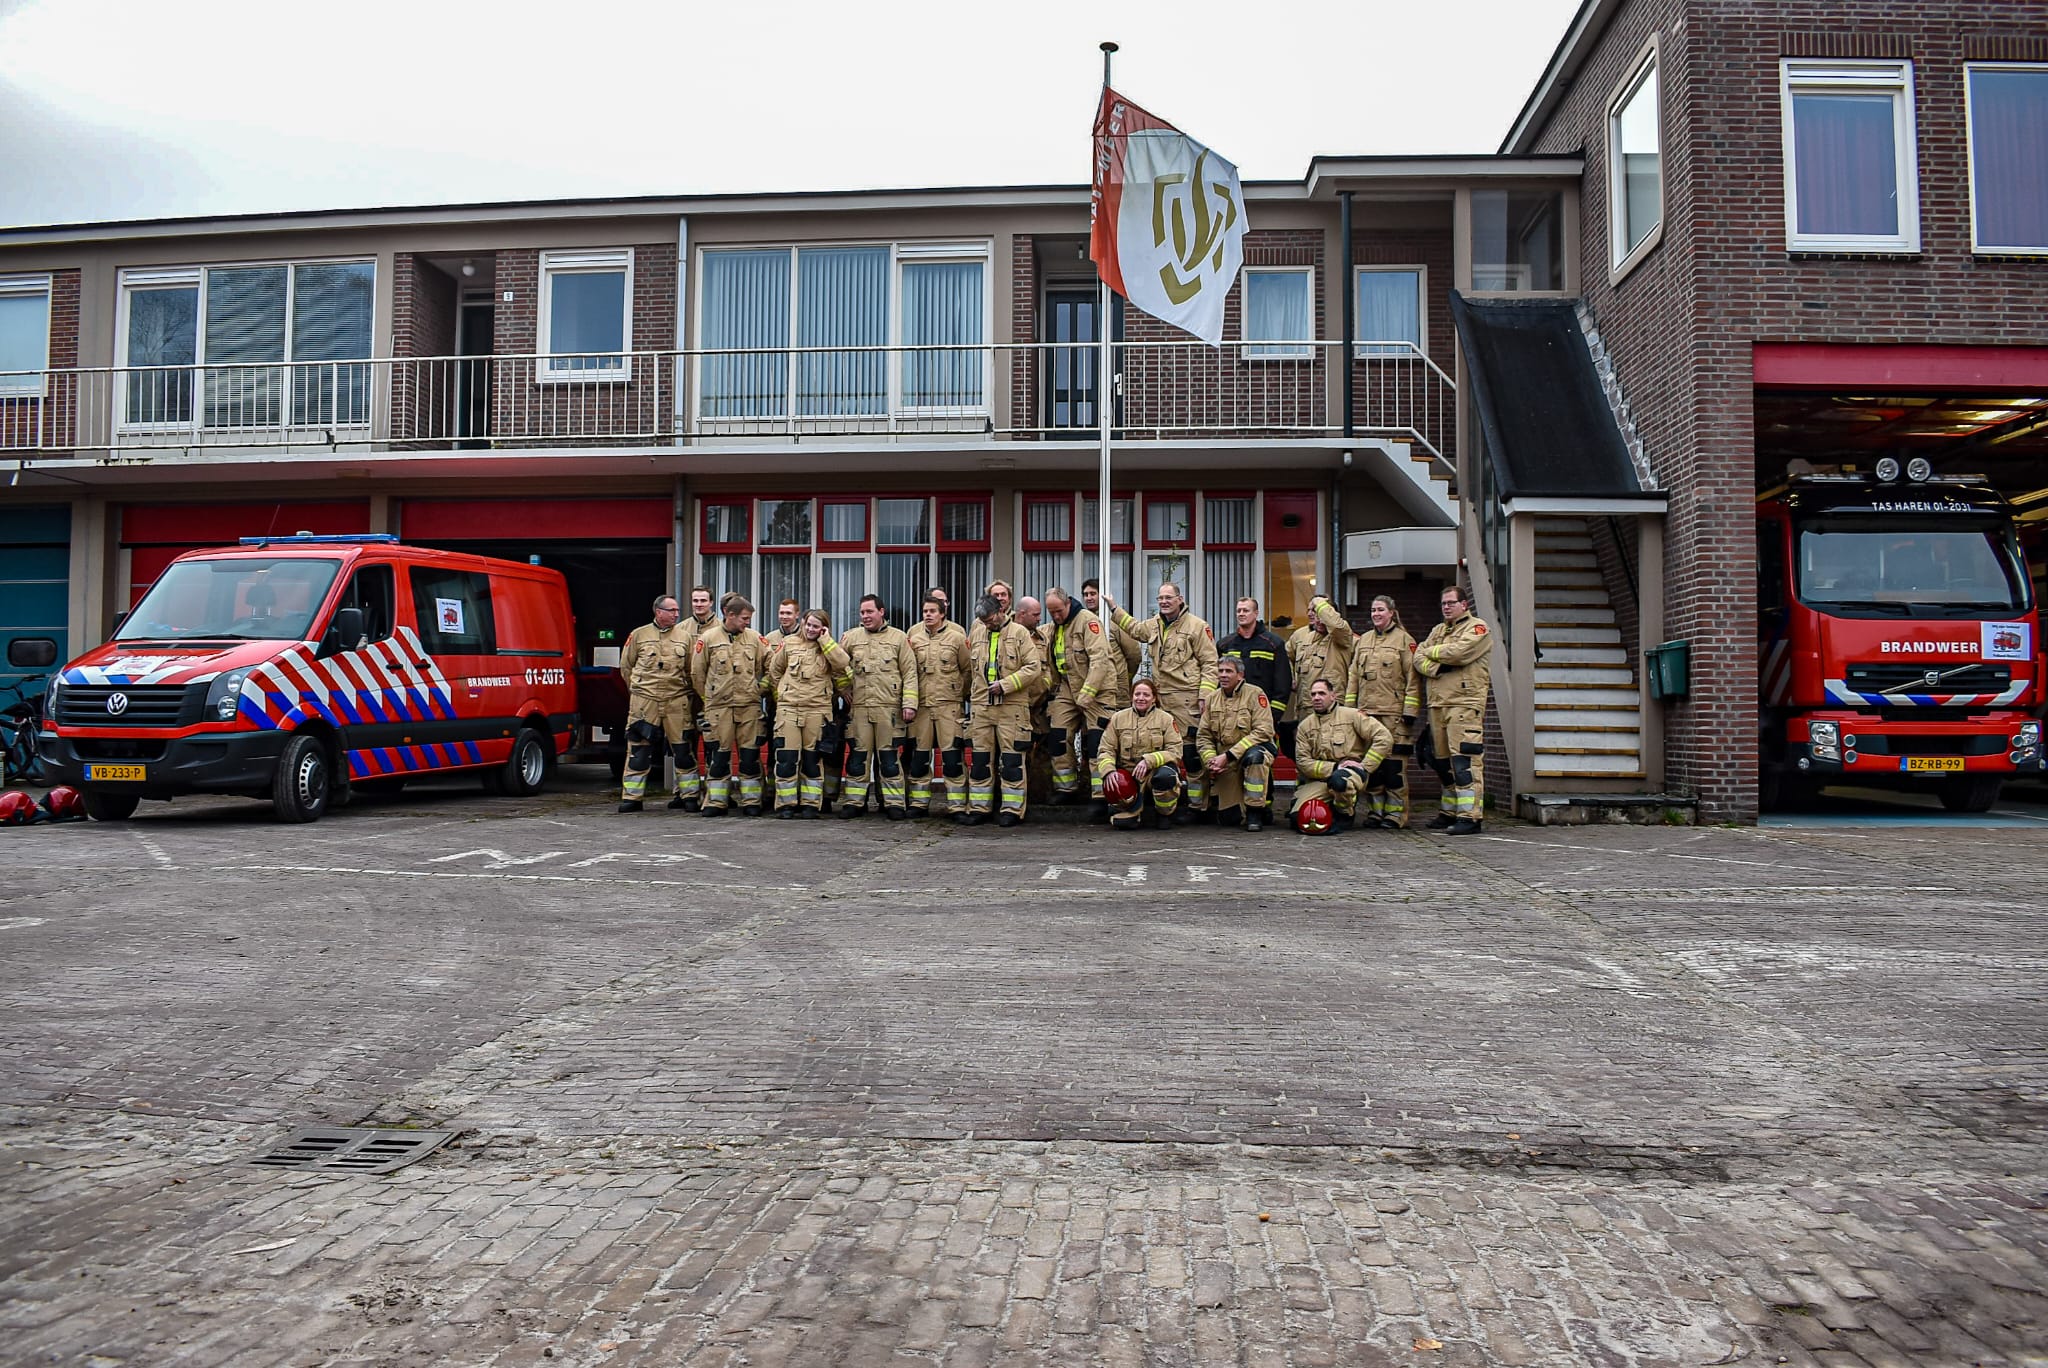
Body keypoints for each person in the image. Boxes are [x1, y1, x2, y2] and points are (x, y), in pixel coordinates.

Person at [1104, 581, 1217, 822]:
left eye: (1169, 597)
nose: (1164, 602)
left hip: (1185, 699)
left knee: (1190, 753)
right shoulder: (1154, 624)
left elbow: (1209, 663)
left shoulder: (1197, 627)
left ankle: (1197, 807)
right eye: (1160, 598)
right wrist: (1114, 609)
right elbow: (1134, 629)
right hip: (1160, 700)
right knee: (1157, 748)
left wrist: (1204, 695)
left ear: (1180, 599)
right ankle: (1163, 802)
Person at [1414, 584, 1494, 835]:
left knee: (1464, 763)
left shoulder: (1477, 628)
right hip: (1438, 704)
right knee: (1442, 763)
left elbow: (1460, 653)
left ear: (1464, 605)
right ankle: (1449, 811)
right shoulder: (1438, 630)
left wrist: (1431, 653)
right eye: (1443, 603)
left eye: (1451, 603)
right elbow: (1417, 657)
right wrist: (1437, 667)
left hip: (1464, 704)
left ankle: (1470, 816)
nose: (1446, 607)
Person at [1042, 586, 1128, 811]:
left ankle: (1101, 794)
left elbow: (1100, 660)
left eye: (1059, 611)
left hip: (1098, 691)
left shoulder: (1088, 622)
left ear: (1068, 603)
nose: (1056, 616)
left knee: (1098, 741)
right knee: (1058, 736)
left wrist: (1088, 693)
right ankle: (1065, 788)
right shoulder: (1054, 627)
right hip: (1067, 688)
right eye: (1052, 613)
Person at [962, 592, 1042, 827]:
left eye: (989, 619)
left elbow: (1033, 668)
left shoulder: (1019, 633)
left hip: (1011, 708)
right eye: (983, 621)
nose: (987, 624)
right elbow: (971, 672)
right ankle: (979, 808)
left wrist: (1005, 685)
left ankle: (1012, 810)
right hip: (982, 707)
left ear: (1000, 612)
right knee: (980, 760)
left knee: (1011, 762)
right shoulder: (977, 633)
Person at [837, 594, 920, 819]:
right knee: (857, 759)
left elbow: (910, 673)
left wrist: (910, 704)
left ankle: (894, 804)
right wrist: (843, 688)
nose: (865, 616)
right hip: (860, 709)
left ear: (881, 612)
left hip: (889, 709)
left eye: (869, 612)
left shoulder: (899, 638)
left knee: (889, 760)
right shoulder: (851, 638)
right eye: (862, 612)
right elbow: (836, 664)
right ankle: (854, 803)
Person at [618, 592, 700, 813]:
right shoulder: (639, 635)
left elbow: (692, 670)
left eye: (676, 610)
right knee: (639, 750)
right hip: (645, 701)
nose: (676, 614)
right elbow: (626, 667)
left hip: (676, 700)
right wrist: (639, 692)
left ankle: (690, 796)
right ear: (658, 612)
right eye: (671, 610)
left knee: (683, 749)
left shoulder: (685, 637)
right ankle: (632, 798)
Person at [690, 594, 771, 816]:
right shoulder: (708, 639)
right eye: (744, 618)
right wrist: (710, 698)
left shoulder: (755, 639)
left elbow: (773, 666)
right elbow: (697, 672)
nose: (747, 622)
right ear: (730, 615)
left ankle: (752, 801)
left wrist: (760, 688)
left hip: (749, 708)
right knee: (719, 757)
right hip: (719, 710)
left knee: (749, 757)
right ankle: (716, 802)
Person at [767, 608, 852, 819]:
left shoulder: (829, 647)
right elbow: (774, 671)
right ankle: (786, 805)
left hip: (817, 712)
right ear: (803, 623)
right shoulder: (789, 643)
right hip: (789, 710)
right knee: (786, 758)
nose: (810, 629)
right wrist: (783, 694)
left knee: (812, 760)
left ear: (823, 628)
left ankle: (811, 805)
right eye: (808, 625)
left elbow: (843, 664)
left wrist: (826, 642)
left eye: (816, 626)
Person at [1346, 594, 1421, 829]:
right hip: (1366, 714)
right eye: (1373, 610)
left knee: (1394, 768)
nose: (1376, 614)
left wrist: (1410, 710)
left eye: (1380, 610)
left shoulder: (1404, 641)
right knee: (1372, 767)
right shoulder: (1364, 640)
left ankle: (1396, 815)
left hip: (1394, 715)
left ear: (1391, 612)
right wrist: (1349, 711)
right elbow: (1354, 676)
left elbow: (1413, 678)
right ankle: (1375, 812)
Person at [1289, 678, 1393, 833]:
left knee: (1339, 782)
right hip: (1321, 779)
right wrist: (1334, 767)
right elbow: (1303, 762)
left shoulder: (1352, 716)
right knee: (1298, 818)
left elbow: (1384, 737)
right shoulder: (1305, 726)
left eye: (1322, 693)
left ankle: (1345, 814)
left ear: (1333, 696)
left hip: (1350, 774)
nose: (1317, 697)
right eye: (1313, 694)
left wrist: (1365, 766)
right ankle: (1330, 806)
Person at [906, 593, 972, 817]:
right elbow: (908, 672)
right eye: (925, 611)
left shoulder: (956, 638)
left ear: (943, 614)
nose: (928, 615)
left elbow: (967, 670)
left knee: (952, 758)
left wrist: (958, 693)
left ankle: (956, 807)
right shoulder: (913, 638)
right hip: (922, 707)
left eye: (933, 611)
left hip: (949, 706)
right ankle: (918, 804)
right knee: (920, 759)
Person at [1197, 655, 1279, 831]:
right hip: (1226, 762)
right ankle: (1242, 808)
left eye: (1229, 671)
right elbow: (1203, 736)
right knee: (1229, 818)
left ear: (1240, 675)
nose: (1224, 675)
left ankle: (1255, 811)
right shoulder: (1212, 699)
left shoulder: (1255, 694)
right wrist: (1211, 760)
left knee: (1255, 757)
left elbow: (1263, 731)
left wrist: (1228, 755)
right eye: (1221, 671)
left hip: (1251, 752)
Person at [1098, 679, 1186, 830]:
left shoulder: (1166, 719)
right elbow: (1106, 749)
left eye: (1146, 694)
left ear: (1154, 698)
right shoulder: (1118, 718)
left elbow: (1175, 752)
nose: (1141, 698)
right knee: (1123, 825)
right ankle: (1130, 811)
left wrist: (1149, 761)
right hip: (1129, 777)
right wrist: (1109, 771)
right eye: (1137, 694)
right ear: (1131, 696)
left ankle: (1164, 814)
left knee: (1166, 776)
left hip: (1154, 773)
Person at [1283, 595, 1354, 760]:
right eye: (1310, 611)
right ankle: (1303, 786)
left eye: (1317, 611)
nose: (1313, 615)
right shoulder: (1302, 637)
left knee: (1330, 753)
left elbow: (1336, 626)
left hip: (1333, 711)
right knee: (1304, 755)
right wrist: (1291, 677)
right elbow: (1284, 657)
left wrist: (1319, 602)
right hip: (1305, 708)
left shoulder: (1341, 636)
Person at [1217, 597, 1292, 733]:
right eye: (1238, 610)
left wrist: (1273, 716)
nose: (1241, 613)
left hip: (1262, 715)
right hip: (1230, 716)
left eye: (1245, 610)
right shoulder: (1225, 644)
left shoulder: (1273, 644)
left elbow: (1283, 684)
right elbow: (1218, 680)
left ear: (1256, 613)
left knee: (1260, 753)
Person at [1013, 595, 1055, 804]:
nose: (1040, 619)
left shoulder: (1041, 638)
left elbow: (1048, 668)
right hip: (1014, 707)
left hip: (1039, 708)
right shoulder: (1007, 634)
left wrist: (1047, 685)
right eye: (1036, 614)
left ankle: (1038, 796)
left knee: (1043, 753)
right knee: (1014, 754)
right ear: (1022, 614)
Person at [1083, 577, 1144, 681]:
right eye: (1085, 594)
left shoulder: (1114, 622)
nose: (1089, 598)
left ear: (1102, 595)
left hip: (1117, 684)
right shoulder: (1083, 622)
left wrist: (1124, 678)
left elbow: (1134, 655)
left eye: (1093, 594)